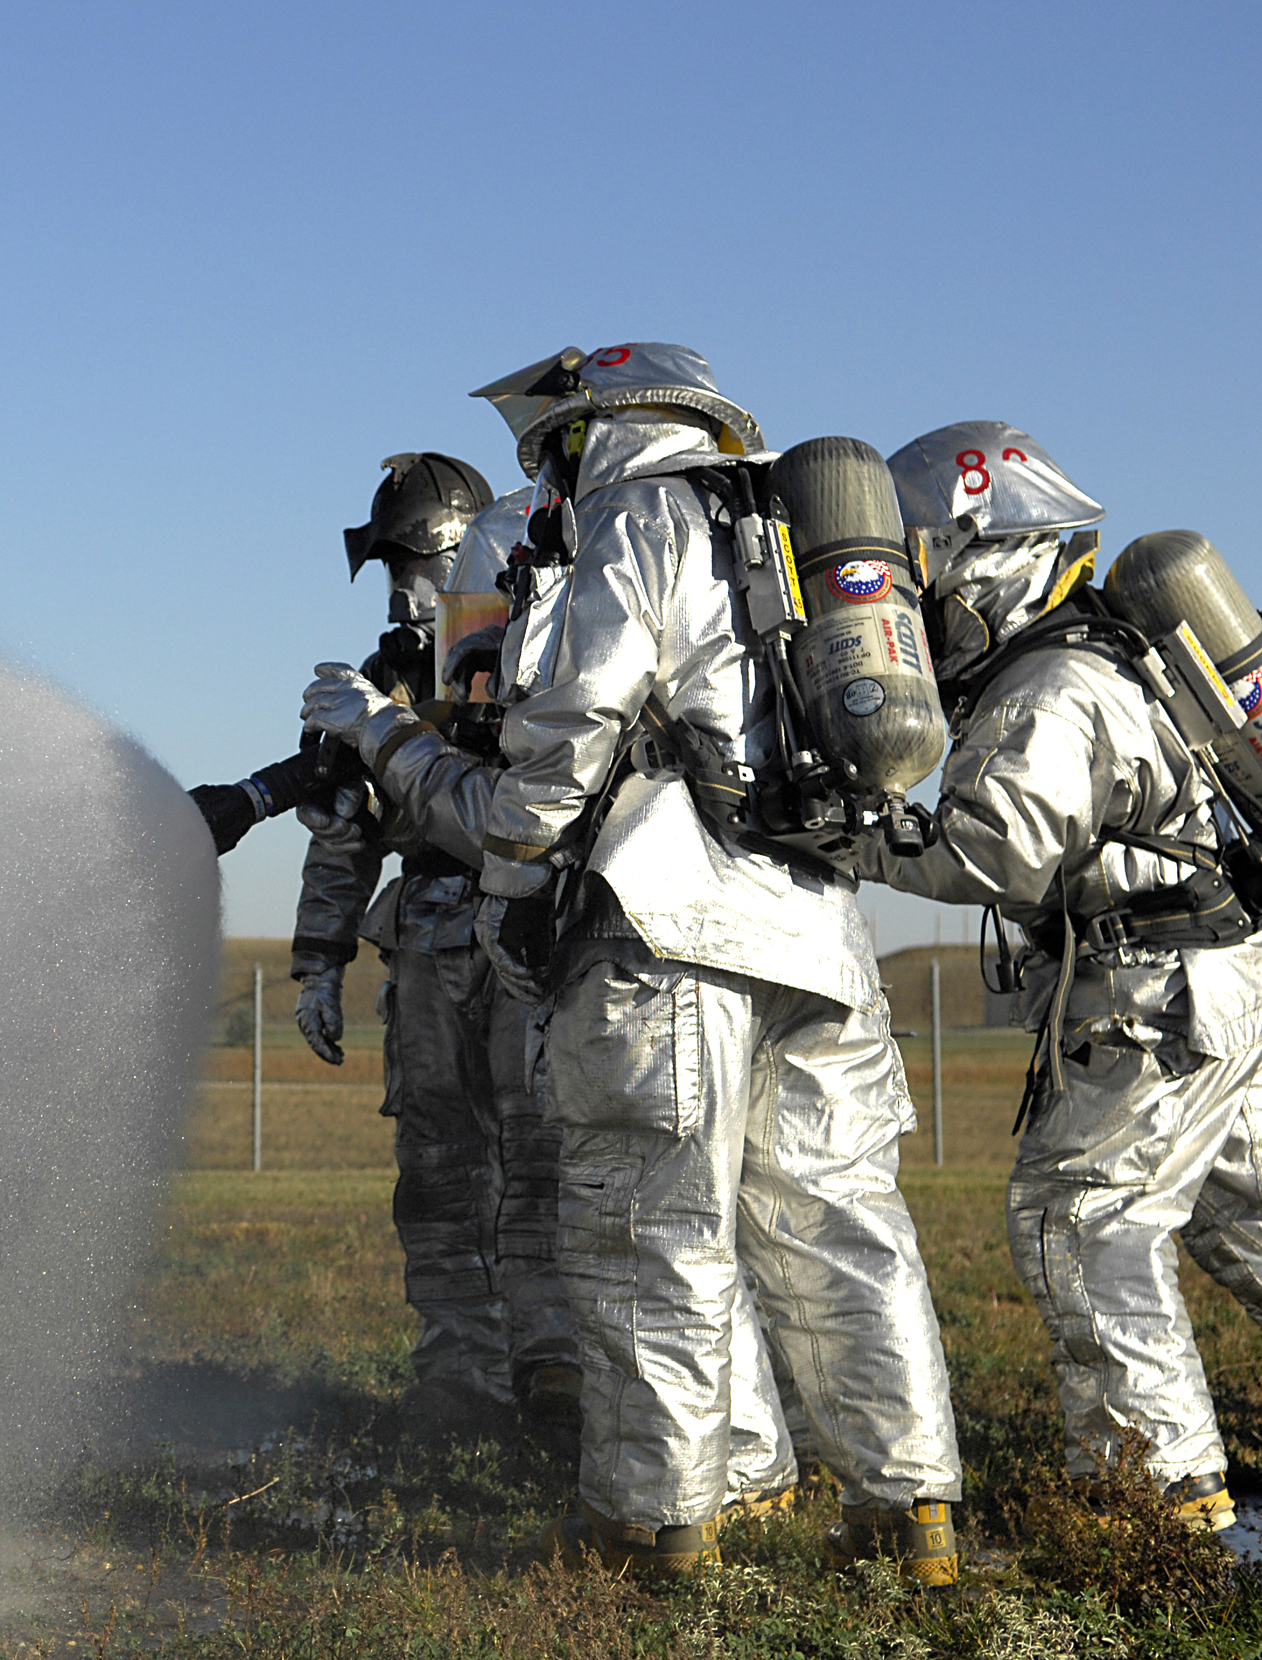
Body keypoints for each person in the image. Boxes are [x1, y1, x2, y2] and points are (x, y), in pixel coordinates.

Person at [332, 343, 961, 1581]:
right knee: (843, 1225)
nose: (546, 474)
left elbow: (563, 752)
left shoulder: (633, 515)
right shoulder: (780, 524)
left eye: (551, 447)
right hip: (821, 931)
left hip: (666, 927)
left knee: (648, 1227)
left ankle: (652, 1519)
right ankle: (912, 1512)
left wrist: (408, 758)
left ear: (594, 429)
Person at [865, 422, 1262, 1532]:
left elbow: (995, 850)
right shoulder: (1109, 654)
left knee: (1080, 1220)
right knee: (1240, 1216)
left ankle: (1162, 1498)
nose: (906, 596)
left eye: (918, 561)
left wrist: (846, 837)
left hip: (1151, 991)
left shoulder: (1047, 683)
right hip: (1216, 979)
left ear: (984, 550)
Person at [290, 465, 585, 1428]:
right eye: (392, 566)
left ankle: (553, 1369)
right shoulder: (378, 682)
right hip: (422, 944)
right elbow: (341, 836)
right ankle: (457, 1376)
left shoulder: (545, 658)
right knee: (436, 1168)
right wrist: (317, 964)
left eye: (418, 562)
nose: (404, 586)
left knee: (535, 1158)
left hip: (524, 938)